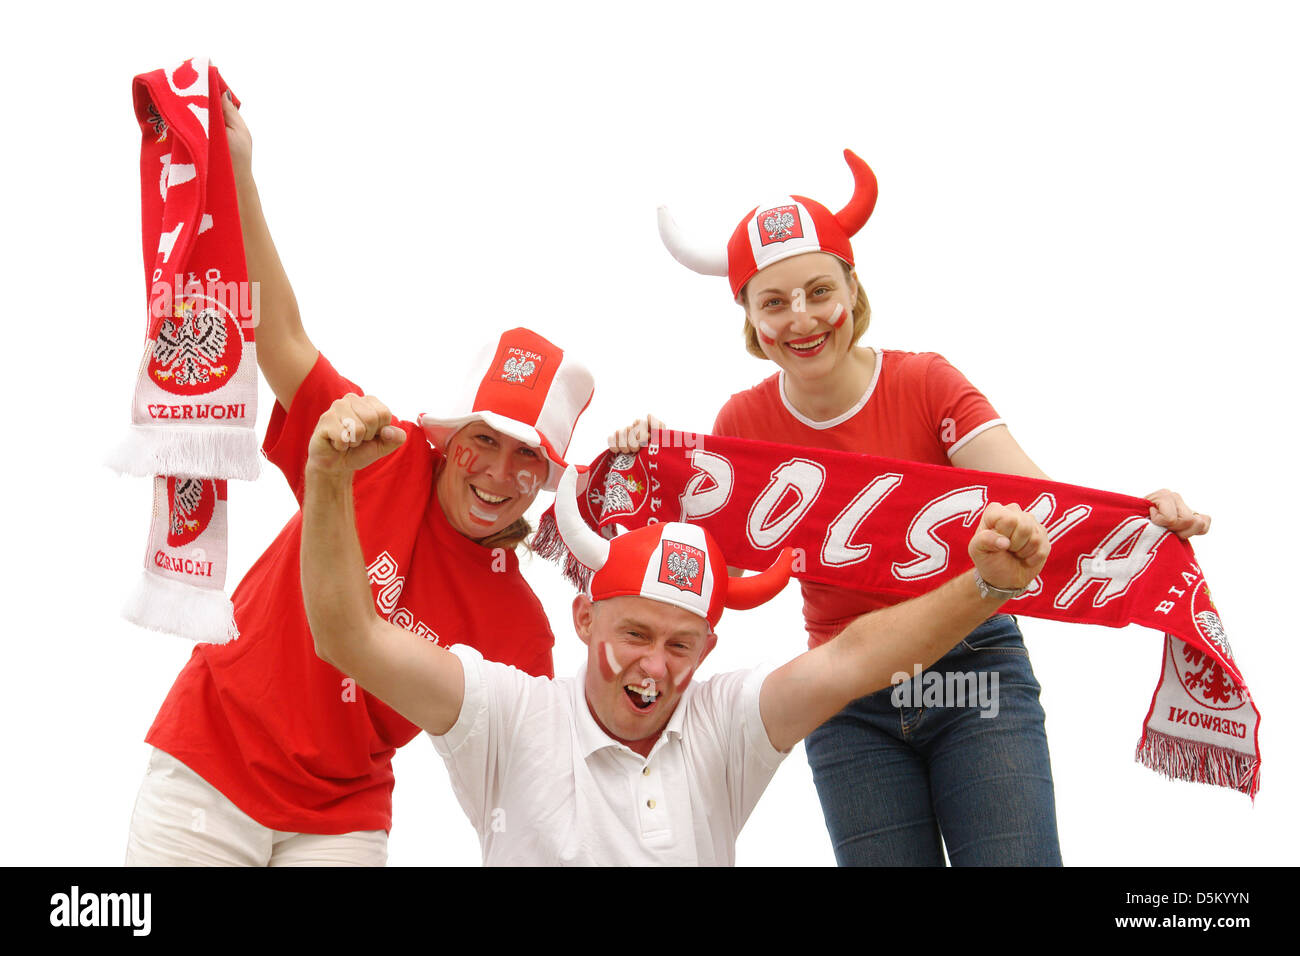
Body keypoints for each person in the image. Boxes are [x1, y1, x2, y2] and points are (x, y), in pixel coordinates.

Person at [641, 149, 1212, 866]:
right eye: (775, 302)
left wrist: (1141, 518)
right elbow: (706, 574)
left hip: (974, 671)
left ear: (853, 288)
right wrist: (645, 463)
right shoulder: (741, 424)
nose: (802, 318)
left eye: (819, 291)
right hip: (847, 695)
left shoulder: (926, 384)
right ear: (750, 318)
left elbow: (1039, 502)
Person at [124, 92, 595, 866]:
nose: (499, 472)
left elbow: (544, 780)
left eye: (527, 457)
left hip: (341, 813)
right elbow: (279, 336)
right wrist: (239, 172)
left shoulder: (521, 632)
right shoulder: (374, 447)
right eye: (484, 440)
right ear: (450, 437)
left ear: (544, 478)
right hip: (211, 763)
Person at [299, 396, 1053, 866]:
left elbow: (853, 658)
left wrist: (986, 584)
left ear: (707, 650)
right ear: (585, 618)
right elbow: (348, 638)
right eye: (634, 634)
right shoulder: (507, 714)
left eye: (680, 644)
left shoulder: (722, 725)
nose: (654, 666)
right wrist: (329, 480)